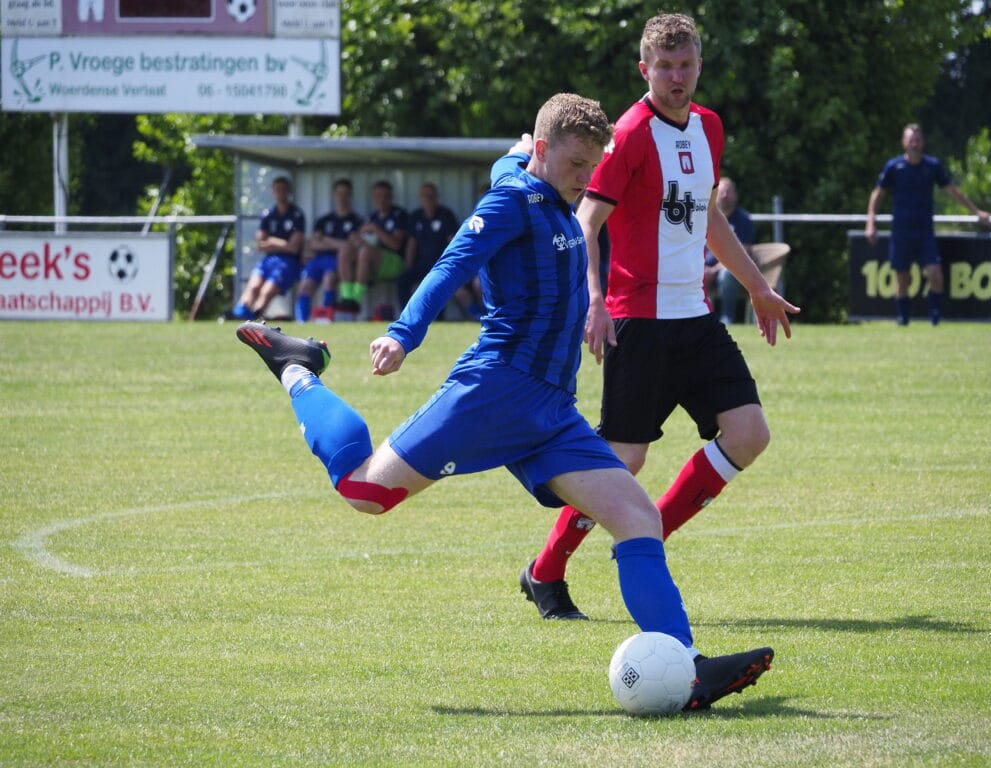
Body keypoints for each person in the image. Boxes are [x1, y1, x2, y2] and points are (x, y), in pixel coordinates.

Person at [236, 92, 773, 711]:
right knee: (365, 492)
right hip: (493, 391)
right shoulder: (511, 200)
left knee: (637, 516)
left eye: (593, 167)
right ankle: (299, 371)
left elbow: (515, 157)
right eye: (575, 165)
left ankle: (687, 670)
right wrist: (402, 335)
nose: (585, 179)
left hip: (550, 410)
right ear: (543, 152)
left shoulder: (539, 178)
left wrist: (520, 153)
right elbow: (448, 265)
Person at [518, 14, 799, 622]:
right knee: (621, 463)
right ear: (645, 70)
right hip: (636, 321)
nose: (676, 76)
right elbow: (586, 223)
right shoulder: (628, 134)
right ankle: (545, 571)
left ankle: (647, 543)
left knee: (749, 433)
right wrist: (593, 300)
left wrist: (755, 286)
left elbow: (706, 219)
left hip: (694, 319)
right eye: (664, 67)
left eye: (686, 65)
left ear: (699, 65)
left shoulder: (709, 128)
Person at [865, 123, 991, 325]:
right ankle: (903, 319)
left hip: (924, 232)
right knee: (902, 277)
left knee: (935, 274)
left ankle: (935, 319)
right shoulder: (893, 167)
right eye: (910, 139)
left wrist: (976, 212)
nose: (914, 143)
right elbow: (877, 194)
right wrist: (870, 222)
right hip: (901, 231)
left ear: (922, 142)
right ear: (903, 142)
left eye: (917, 139)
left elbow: (952, 191)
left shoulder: (932, 166)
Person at [228, 176, 306, 320]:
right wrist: (283, 244)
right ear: (273, 192)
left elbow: (294, 248)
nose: (280, 193)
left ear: (288, 192)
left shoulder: (297, 215)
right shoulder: (268, 215)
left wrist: (273, 241)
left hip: (288, 262)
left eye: (283, 189)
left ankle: (256, 318)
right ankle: (239, 315)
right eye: (277, 189)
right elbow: (260, 245)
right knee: (253, 287)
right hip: (269, 259)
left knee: (266, 291)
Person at [337, 179, 409, 317]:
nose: (382, 200)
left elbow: (395, 245)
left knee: (365, 252)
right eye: (378, 196)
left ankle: (355, 300)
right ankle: (347, 297)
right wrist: (356, 239)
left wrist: (376, 230)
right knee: (345, 249)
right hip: (371, 262)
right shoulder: (371, 217)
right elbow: (361, 241)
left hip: (394, 263)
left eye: (385, 196)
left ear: (391, 197)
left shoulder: (399, 215)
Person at [296, 178, 363, 323]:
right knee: (304, 286)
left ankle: (326, 317)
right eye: (339, 194)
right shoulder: (324, 220)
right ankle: (301, 321)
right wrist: (338, 243)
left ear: (350, 196)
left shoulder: (356, 221)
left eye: (346, 194)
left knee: (329, 279)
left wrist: (326, 240)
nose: (342, 198)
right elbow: (313, 244)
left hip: (338, 261)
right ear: (334, 195)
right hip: (318, 260)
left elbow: (351, 247)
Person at [397, 182, 459, 313]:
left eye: (431, 195)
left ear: (437, 197)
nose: (428, 199)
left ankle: (438, 318)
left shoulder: (446, 215)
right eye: (424, 196)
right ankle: (406, 315)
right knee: (403, 280)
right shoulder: (416, 217)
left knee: (439, 285)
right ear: (420, 198)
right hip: (422, 263)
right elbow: (411, 243)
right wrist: (409, 265)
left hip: (441, 263)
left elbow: (453, 241)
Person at [703, 177, 755, 324]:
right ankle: (700, 319)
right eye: (722, 191)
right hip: (704, 267)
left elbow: (743, 253)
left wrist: (713, 270)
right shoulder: (703, 217)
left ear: (736, 195)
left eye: (729, 191)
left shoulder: (743, 220)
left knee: (728, 274)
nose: (725, 195)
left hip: (728, 269)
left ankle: (727, 317)